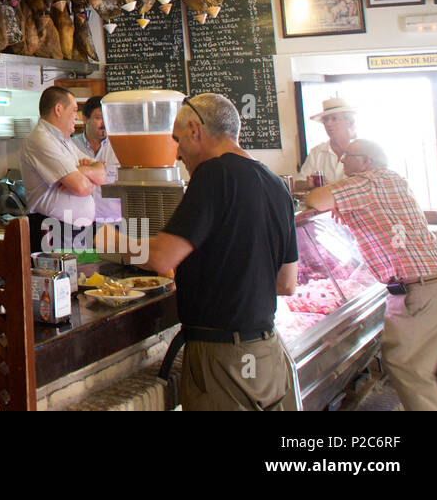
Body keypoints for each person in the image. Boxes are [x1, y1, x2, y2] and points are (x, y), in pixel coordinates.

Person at [96, 93, 298, 411]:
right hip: (266, 353)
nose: (177, 153)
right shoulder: (276, 183)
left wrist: (113, 241)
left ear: (195, 130)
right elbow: (286, 283)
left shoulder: (214, 174)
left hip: (223, 358)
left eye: (177, 140)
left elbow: (162, 257)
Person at [304, 140, 437, 411]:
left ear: (366, 162)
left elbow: (315, 199)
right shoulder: (393, 179)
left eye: (347, 157)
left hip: (417, 292)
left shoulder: (365, 183)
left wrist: (332, 199)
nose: (342, 162)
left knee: (407, 366)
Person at [20, 86, 108, 251]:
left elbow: (102, 173)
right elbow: (81, 187)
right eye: (74, 111)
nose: (77, 117)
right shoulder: (41, 139)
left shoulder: (65, 140)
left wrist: (82, 171)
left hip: (74, 232)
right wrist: (85, 179)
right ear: (59, 110)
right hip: (51, 231)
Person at [71, 95, 121, 222]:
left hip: (113, 221)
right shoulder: (71, 146)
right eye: (99, 118)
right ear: (85, 119)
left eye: (107, 118)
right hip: (79, 222)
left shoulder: (120, 147)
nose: (104, 124)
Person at [298, 97, 358, 184]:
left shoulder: (362, 151)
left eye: (334, 119)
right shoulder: (317, 152)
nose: (329, 124)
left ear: (349, 122)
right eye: (326, 120)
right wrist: (309, 184)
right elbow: (298, 183)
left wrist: (328, 189)